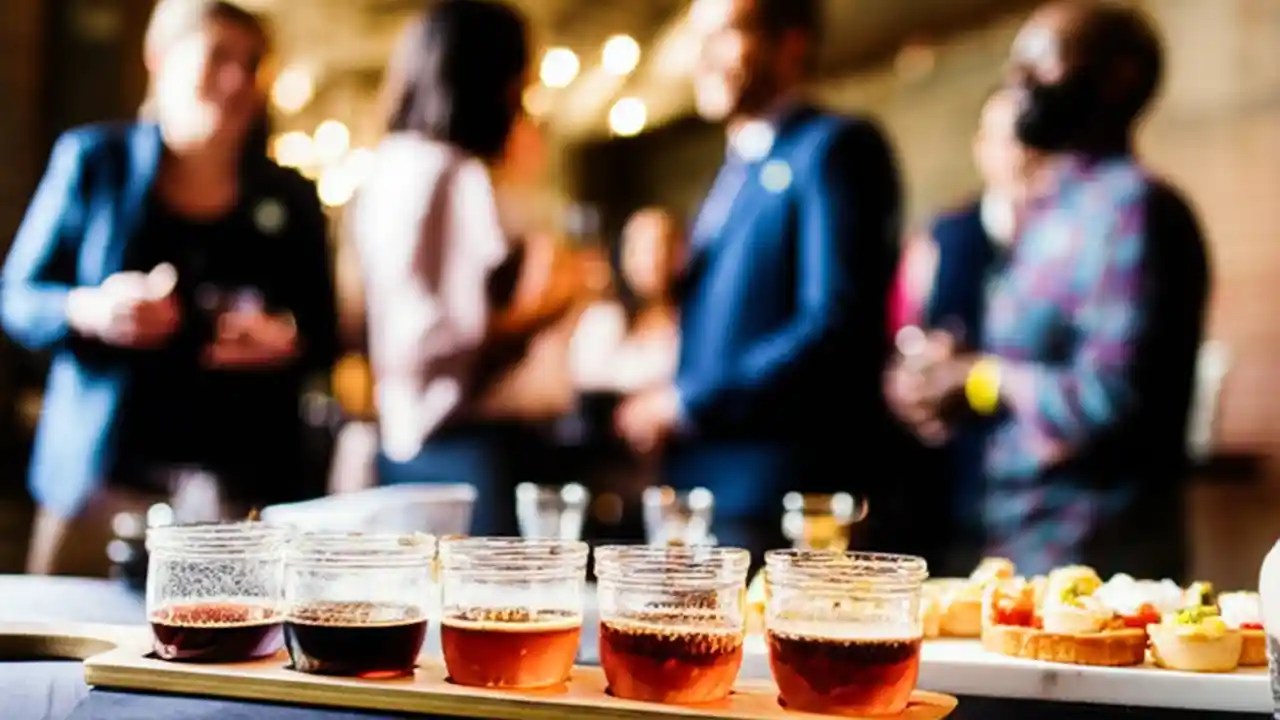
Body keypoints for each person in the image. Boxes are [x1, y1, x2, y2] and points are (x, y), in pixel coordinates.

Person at [2, 0, 337, 574]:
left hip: (238, 501)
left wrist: (284, 337)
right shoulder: (94, 162)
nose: (237, 79)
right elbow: (18, 297)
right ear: (159, 59)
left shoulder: (291, 196)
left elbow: (327, 334)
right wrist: (93, 309)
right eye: (218, 58)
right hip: (99, 488)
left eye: (252, 63)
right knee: (59, 655)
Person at [886, 0, 1209, 579]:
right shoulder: (1053, 208)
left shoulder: (1132, 210)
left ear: (1119, 76)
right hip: (1015, 543)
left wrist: (979, 379)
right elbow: (1017, 368)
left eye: (1040, 64)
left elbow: (1110, 399)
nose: (1019, 83)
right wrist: (946, 379)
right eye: (1016, 66)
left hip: (1097, 562)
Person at [615, 0, 902, 559]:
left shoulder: (832, 148)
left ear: (791, 43)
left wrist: (687, 402)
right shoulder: (735, 168)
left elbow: (834, 324)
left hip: (780, 497)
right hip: (709, 491)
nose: (702, 57)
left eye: (725, 34)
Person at [351, 0, 575, 536]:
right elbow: (462, 335)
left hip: (400, 439)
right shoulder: (455, 173)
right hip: (466, 445)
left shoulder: (387, 166)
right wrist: (555, 302)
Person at [887, 88, 1040, 574]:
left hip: (1038, 475)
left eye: (1026, 136)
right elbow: (905, 330)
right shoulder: (946, 233)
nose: (1017, 150)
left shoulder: (1069, 235)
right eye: (1004, 136)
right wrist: (910, 380)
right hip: (953, 476)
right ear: (981, 147)